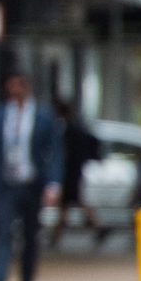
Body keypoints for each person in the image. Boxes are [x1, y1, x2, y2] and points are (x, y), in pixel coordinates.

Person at [0, 71, 63, 281]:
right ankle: (0, 278)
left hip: (32, 185)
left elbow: (55, 153)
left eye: (18, 87)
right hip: (6, 185)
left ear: (27, 88)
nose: (13, 92)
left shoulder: (43, 116)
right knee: (3, 233)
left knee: (30, 239)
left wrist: (53, 184)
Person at [49, 99, 106, 250]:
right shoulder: (73, 127)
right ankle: (58, 235)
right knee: (69, 205)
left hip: (71, 172)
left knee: (71, 203)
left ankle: (96, 226)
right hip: (73, 172)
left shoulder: (70, 129)